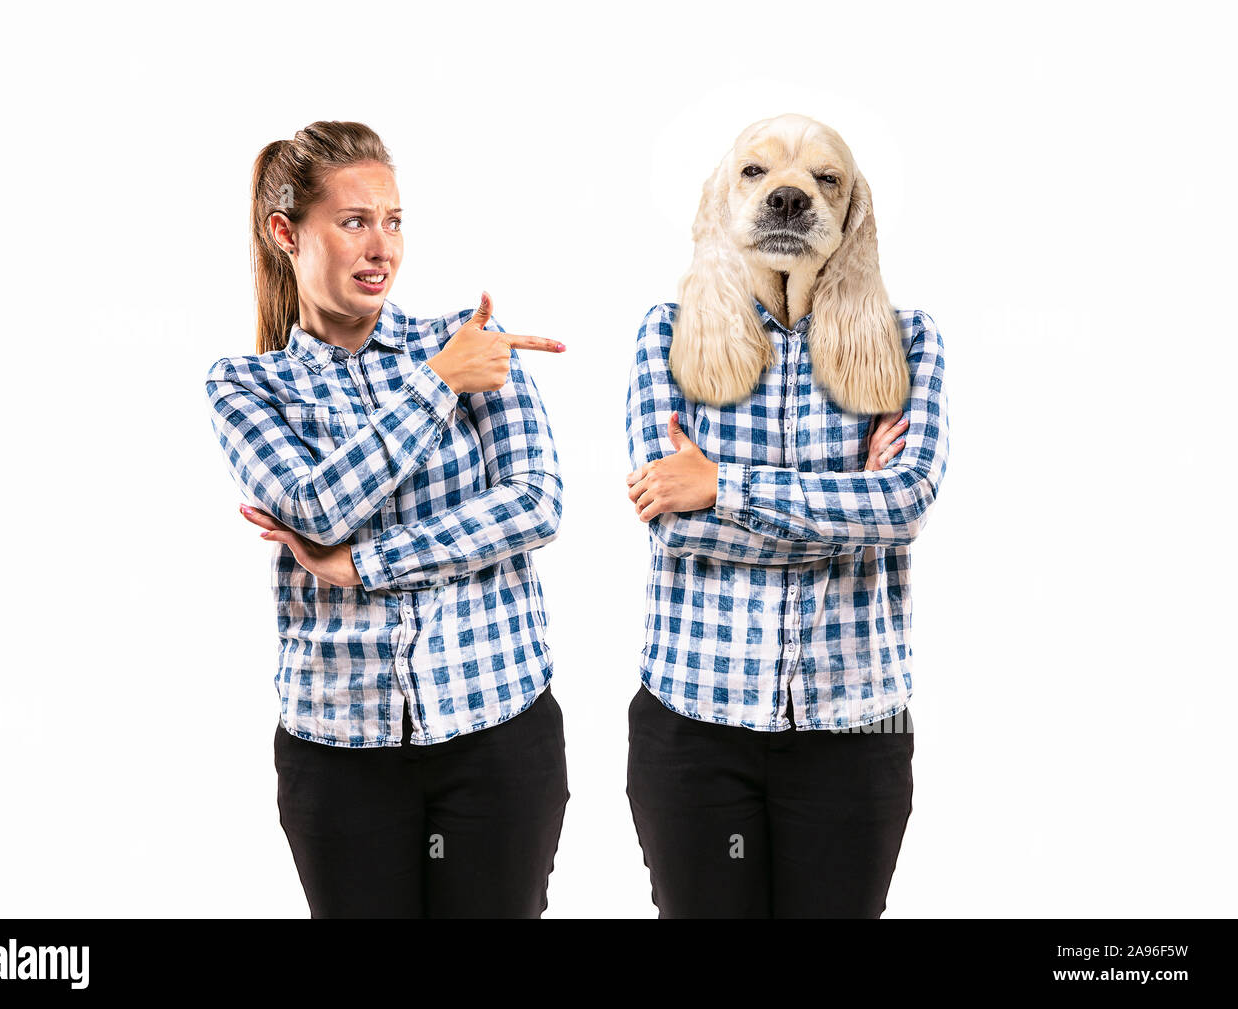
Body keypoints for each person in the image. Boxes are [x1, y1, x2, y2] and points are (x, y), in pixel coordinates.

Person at [203, 121, 569, 918]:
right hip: (340, 752)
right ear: (285, 232)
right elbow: (318, 508)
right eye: (354, 221)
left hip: (498, 728)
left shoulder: (466, 341)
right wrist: (439, 386)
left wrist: (365, 565)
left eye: (393, 221)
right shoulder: (248, 385)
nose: (381, 247)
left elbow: (536, 504)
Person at [622, 113, 950, 917]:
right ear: (720, 202)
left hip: (858, 729)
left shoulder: (911, 343)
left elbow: (905, 502)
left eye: (822, 181)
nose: (790, 194)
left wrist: (721, 485)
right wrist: (848, 507)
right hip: (696, 722)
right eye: (757, 173)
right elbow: (672, 518)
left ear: (851, 217)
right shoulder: (664, 337)